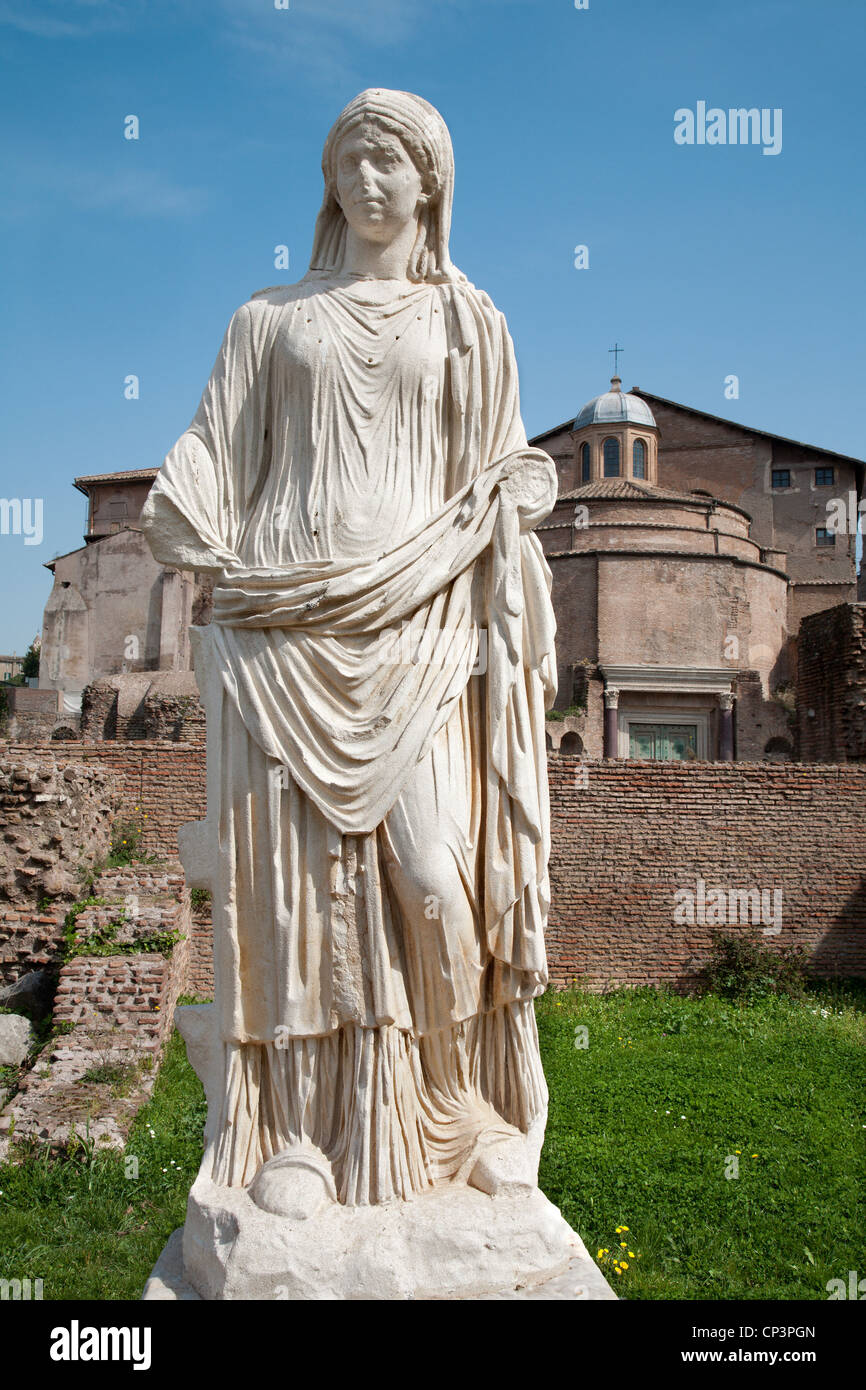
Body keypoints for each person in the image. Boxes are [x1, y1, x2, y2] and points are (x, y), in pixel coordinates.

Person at [141, 89, 559, 1215]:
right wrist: (187, 515)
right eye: (349, 162)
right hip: (282, 627)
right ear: (328, 181)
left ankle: (460, 1106)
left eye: (390, 163)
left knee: (433, 879)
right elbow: (208, 451)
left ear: (431, 183)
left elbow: (509, 457)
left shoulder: (470, 321)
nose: (367, 183)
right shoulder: (267, 320)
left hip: (417, 621)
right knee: (291, 897)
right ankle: (295, 1133)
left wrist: (522, 492)